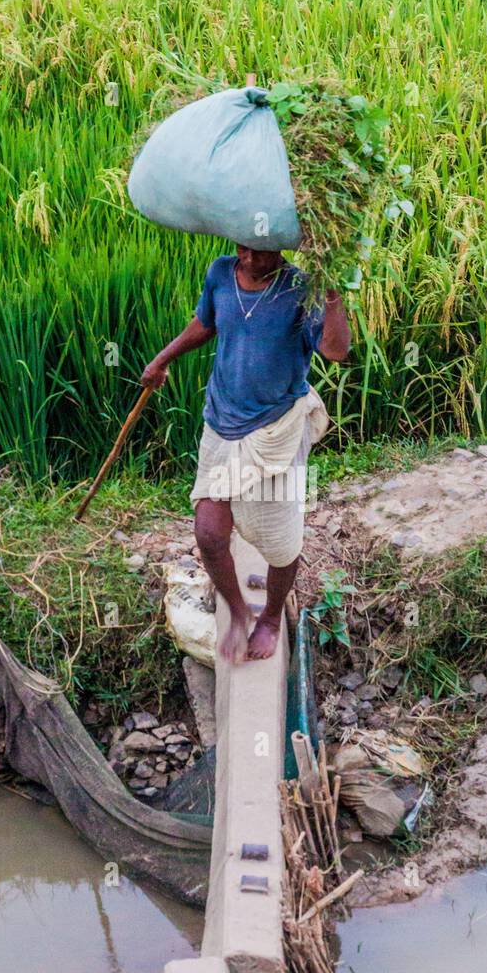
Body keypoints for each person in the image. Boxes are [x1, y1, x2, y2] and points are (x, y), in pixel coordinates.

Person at [142, 245, 350, 663]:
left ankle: (271, 617)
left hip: (276, 432)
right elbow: (206, 322)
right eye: (243, 248)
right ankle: (238, 613)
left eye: (260, 251)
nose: (250, 258)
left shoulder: (300, 288)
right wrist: (163, 359)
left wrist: (331, 294)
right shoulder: (221, 271)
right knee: (209, 532)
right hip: (221, 426)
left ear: (280, 244)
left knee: (280, 544)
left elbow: (335, 351)